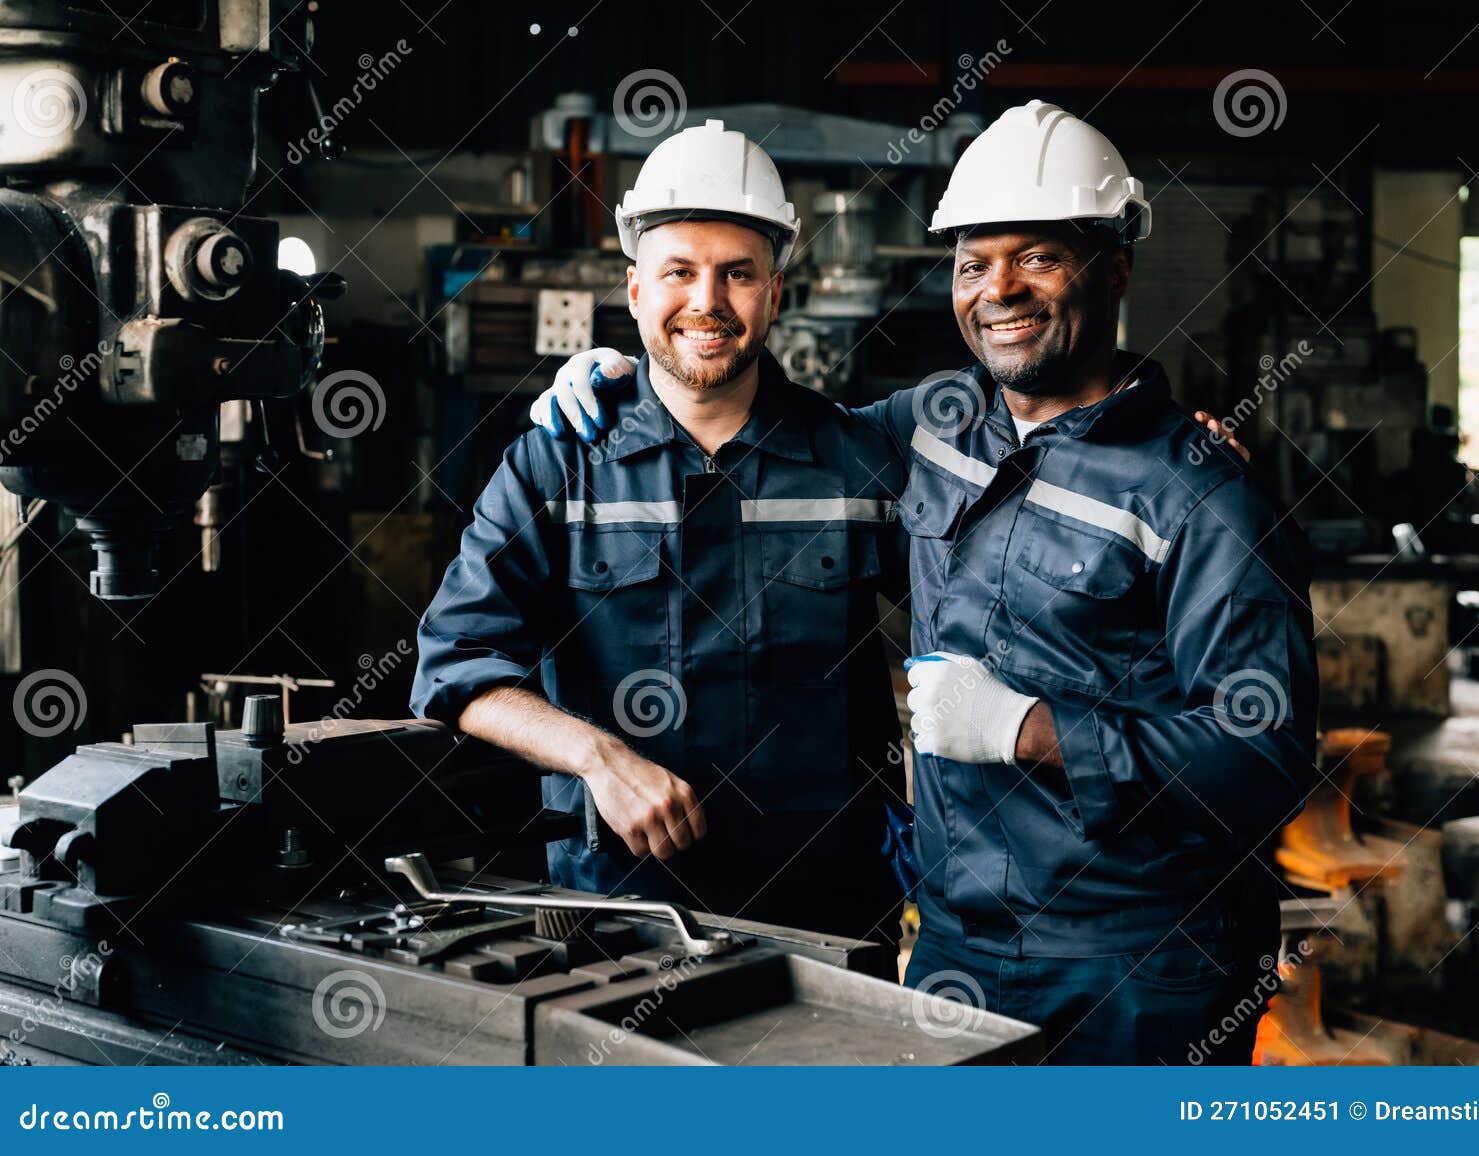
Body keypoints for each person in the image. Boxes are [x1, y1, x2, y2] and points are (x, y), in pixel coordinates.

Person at [531, 100, 1317, 1064]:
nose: (1001, 290)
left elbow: (1265, 759)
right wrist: (630, 375)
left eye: (1040, 256)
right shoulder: (932, 429)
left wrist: (1028, 730)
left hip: (1138, 968)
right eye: (974, 263)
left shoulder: (1202, 495)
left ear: (1115, 265)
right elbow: (767, 427)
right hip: (955, 951)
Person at [410, 120, 907, 947]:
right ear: (636, 292)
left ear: (774, 292)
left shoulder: (858, 460)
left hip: (824, 917)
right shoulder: (555, 465)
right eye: (679, 272)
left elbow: (982, 607)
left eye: (737, 274)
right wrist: (599, 759)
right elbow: (453, 668)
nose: (707, 302)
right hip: (618, 917)